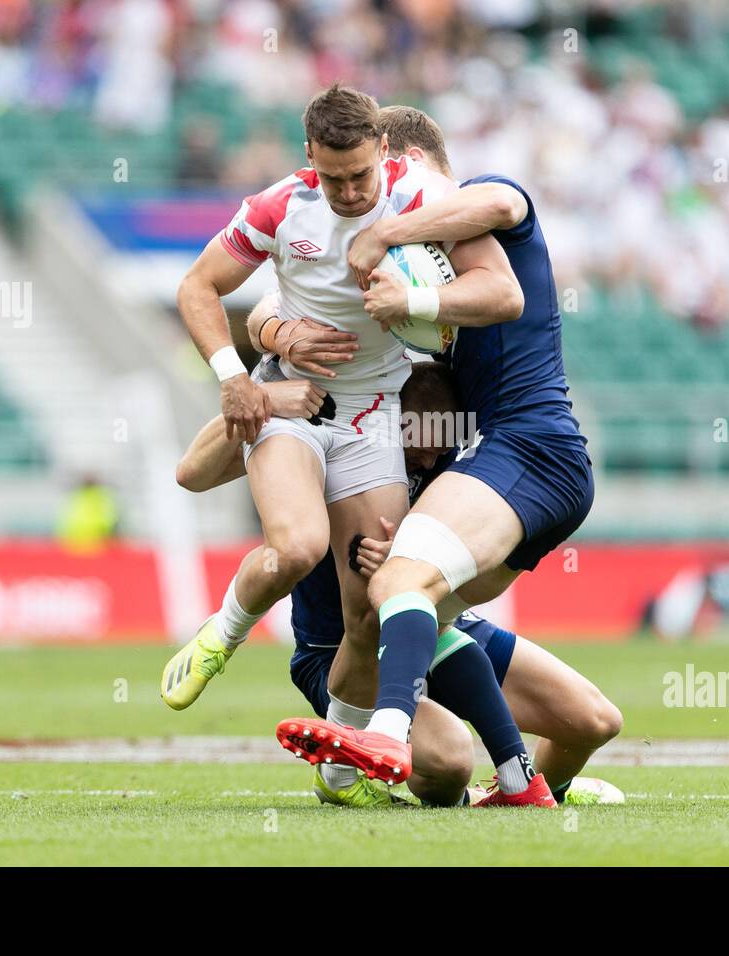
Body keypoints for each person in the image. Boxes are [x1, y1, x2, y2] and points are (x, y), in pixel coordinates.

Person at [159, 85, 523, 743]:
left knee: (368, 611)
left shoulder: (418, 202)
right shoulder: (280, 206)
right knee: (297, 547)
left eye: (359, 176)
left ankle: (345, 758)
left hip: (373, 415)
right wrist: (234, 375)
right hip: (293, 399)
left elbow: (503, 293)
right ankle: (222, 634)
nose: (349, 192)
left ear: (383, 150)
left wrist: (416, 299)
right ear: (309, 157)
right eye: (333, 178)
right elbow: (197, 286)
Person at [277, 105, 605, 808]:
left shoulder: (477, 199)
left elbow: (498, 201)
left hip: (526, 446)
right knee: (589, 720)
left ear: (407, 157)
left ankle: (384, 738)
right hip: (536, 466)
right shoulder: (419, 325)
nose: (383, 194)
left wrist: (388, 230)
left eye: (390, 176)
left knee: (398, 582)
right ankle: (522, 787)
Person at [175, 295, 623, 807]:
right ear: (385, 416)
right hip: (340, 650)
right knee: (449, 761)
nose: (432, 457)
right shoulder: (332, 432)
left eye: (443, 443)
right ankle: (352, 773)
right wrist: (264, 396)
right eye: (418, 441)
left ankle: (533, 789)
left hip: (435, 629)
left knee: (594, 721)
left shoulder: (444, 448)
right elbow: (193, 473)